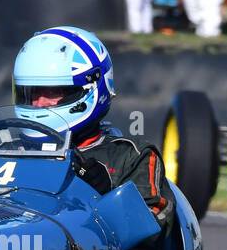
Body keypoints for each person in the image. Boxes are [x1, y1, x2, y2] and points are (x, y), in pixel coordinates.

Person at [12, 26, 174, 230]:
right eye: (31, 93)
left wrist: (106, 196)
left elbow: (154, 232)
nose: (39, 102)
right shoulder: (7, 152)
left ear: (91, 88)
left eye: (52, 91)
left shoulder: (131, 157)